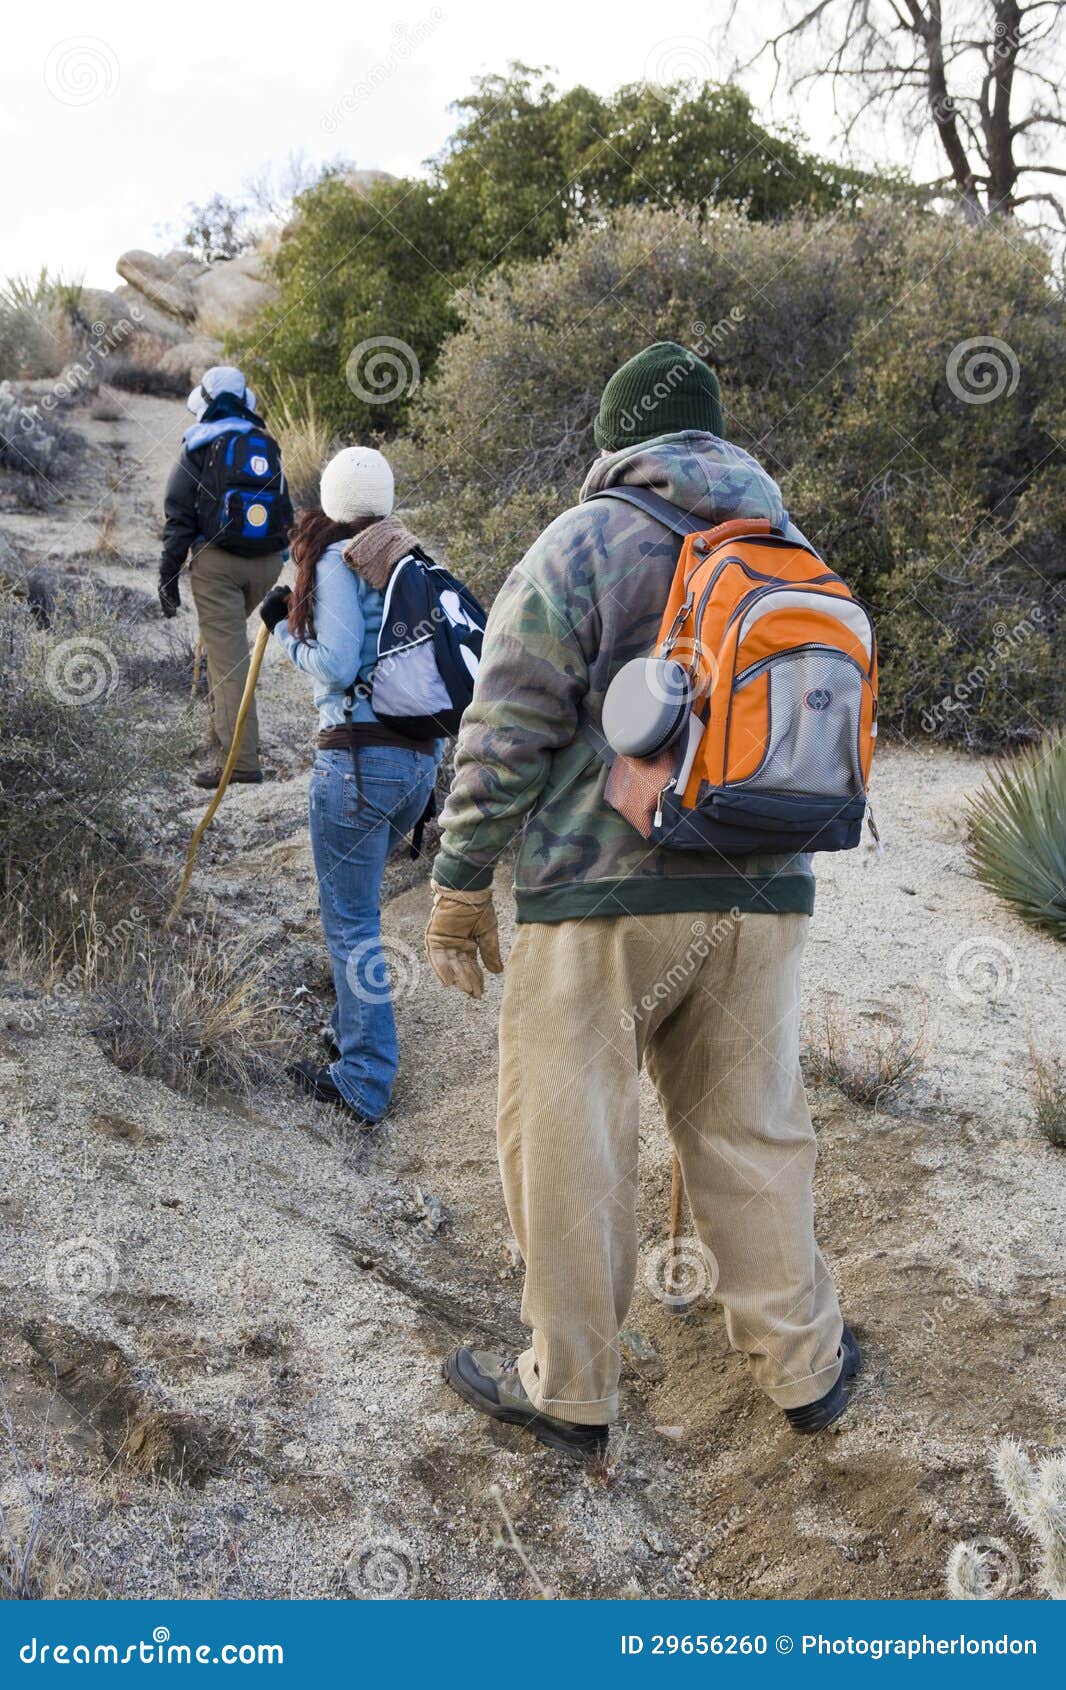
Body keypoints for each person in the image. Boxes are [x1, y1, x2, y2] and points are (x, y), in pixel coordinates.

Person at [425, 342, 859, 1460]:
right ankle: (805, 1366)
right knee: (751, 1125)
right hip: (765, 889)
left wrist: (460, 879)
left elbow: (508, 719)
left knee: (571, 1129)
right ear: (718, 440)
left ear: (619, 442)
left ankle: (570, 1390)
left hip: (599, 899)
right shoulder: (791, 548)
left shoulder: (588, 537)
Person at [259, 446, 440, 1125]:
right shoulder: (412, 561)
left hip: (357, 761)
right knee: (361, 910)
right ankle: (354, 1031)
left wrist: (282, 630)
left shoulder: (338, 560)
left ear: (331, 501)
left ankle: (364, 1077)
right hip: (416, 765)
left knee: (353, 921)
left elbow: (333, 667)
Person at [159, 365, 292, 788]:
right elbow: (286, 507)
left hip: (216, 565)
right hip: (268, 563)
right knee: (224, 653)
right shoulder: (265, 443)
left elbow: (178, 516)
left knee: (229, 661)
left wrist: (168, 576)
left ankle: (242, 763)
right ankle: (219, 737)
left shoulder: (197, 442)